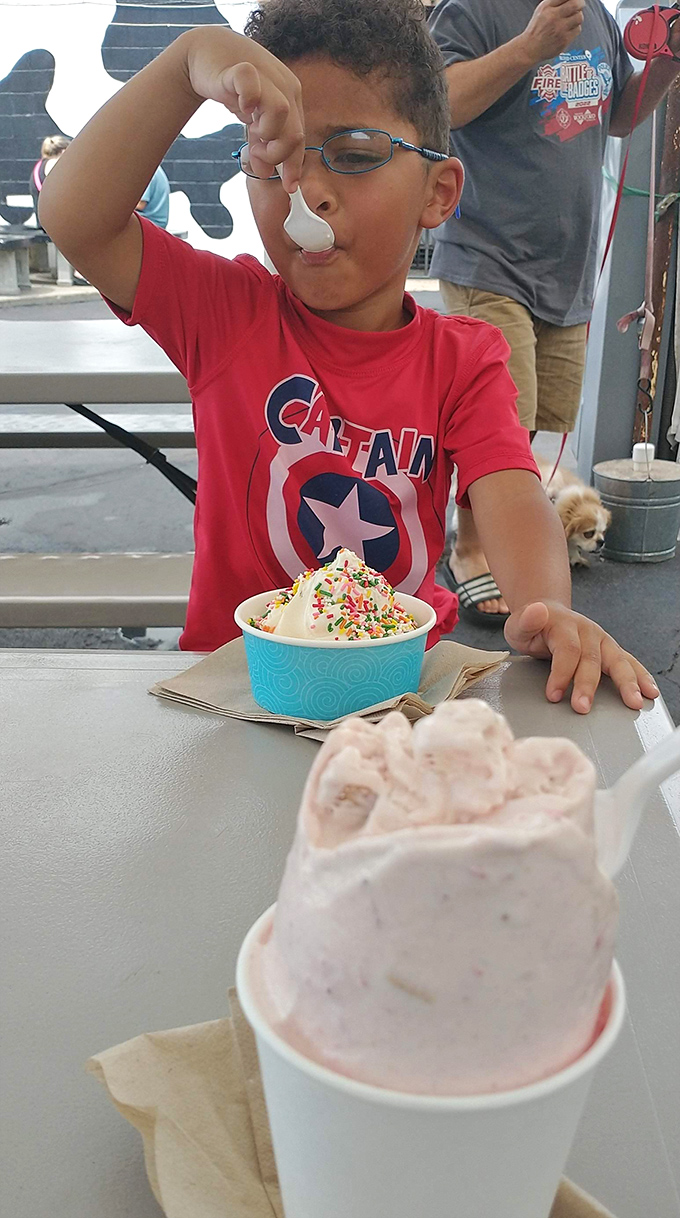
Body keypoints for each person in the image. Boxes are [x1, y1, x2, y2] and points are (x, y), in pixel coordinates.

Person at [38, 0, 658, 715]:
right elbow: (73, 214)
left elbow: (512, 492)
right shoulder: (223, 313)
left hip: (398, 691)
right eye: (275, 162)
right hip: (241, 690)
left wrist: (546, 609)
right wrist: (188, 60)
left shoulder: (464, 357)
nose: (310, 192)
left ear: (438, 193)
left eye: (356, 155)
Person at [429, 0, 680, 621]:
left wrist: (669, 63)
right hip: (488, 255)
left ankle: (494, 534)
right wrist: (529, 46)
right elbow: (439, 107)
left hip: (565, 268)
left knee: (535, 421)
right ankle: (469, 548)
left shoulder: (592, 13)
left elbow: (618, 117)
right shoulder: (473, 10)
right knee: (498, 424)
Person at [29, 134, 71, 215]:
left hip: (44, 219)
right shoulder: (55, 166)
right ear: (64, 151)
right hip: (57, 220)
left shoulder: (40, 166)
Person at [135, 164, 171, 229]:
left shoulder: (146, 170)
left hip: (152, 222)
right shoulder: (153, 167)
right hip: (155, 221)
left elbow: (140, 204)